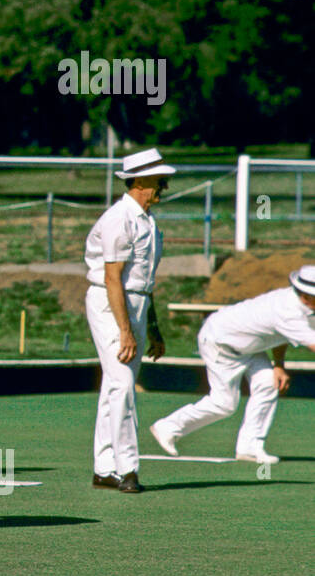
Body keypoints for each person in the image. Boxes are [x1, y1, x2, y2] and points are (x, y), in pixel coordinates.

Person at [151, 266, 315, 464]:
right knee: (224, 404)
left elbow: (280, 335)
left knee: (268, 382)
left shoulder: (301, 305)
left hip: (251, 347)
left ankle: (250, 448)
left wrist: (278, 366)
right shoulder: (287, 310)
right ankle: (168, 426)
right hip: (220, 343)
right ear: (306, 296)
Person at [82, 148, 173, 494]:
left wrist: (151, 328)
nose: (163, 185)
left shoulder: (148, 221)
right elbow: (112, 279)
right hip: (109, 303)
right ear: (138, 181)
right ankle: (128, 469)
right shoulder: (119, 219)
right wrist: (124, 330)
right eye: (157, 180)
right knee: (122, 383)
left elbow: (144, 281)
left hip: (133, 303)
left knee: (114, 386)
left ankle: (104, 468)